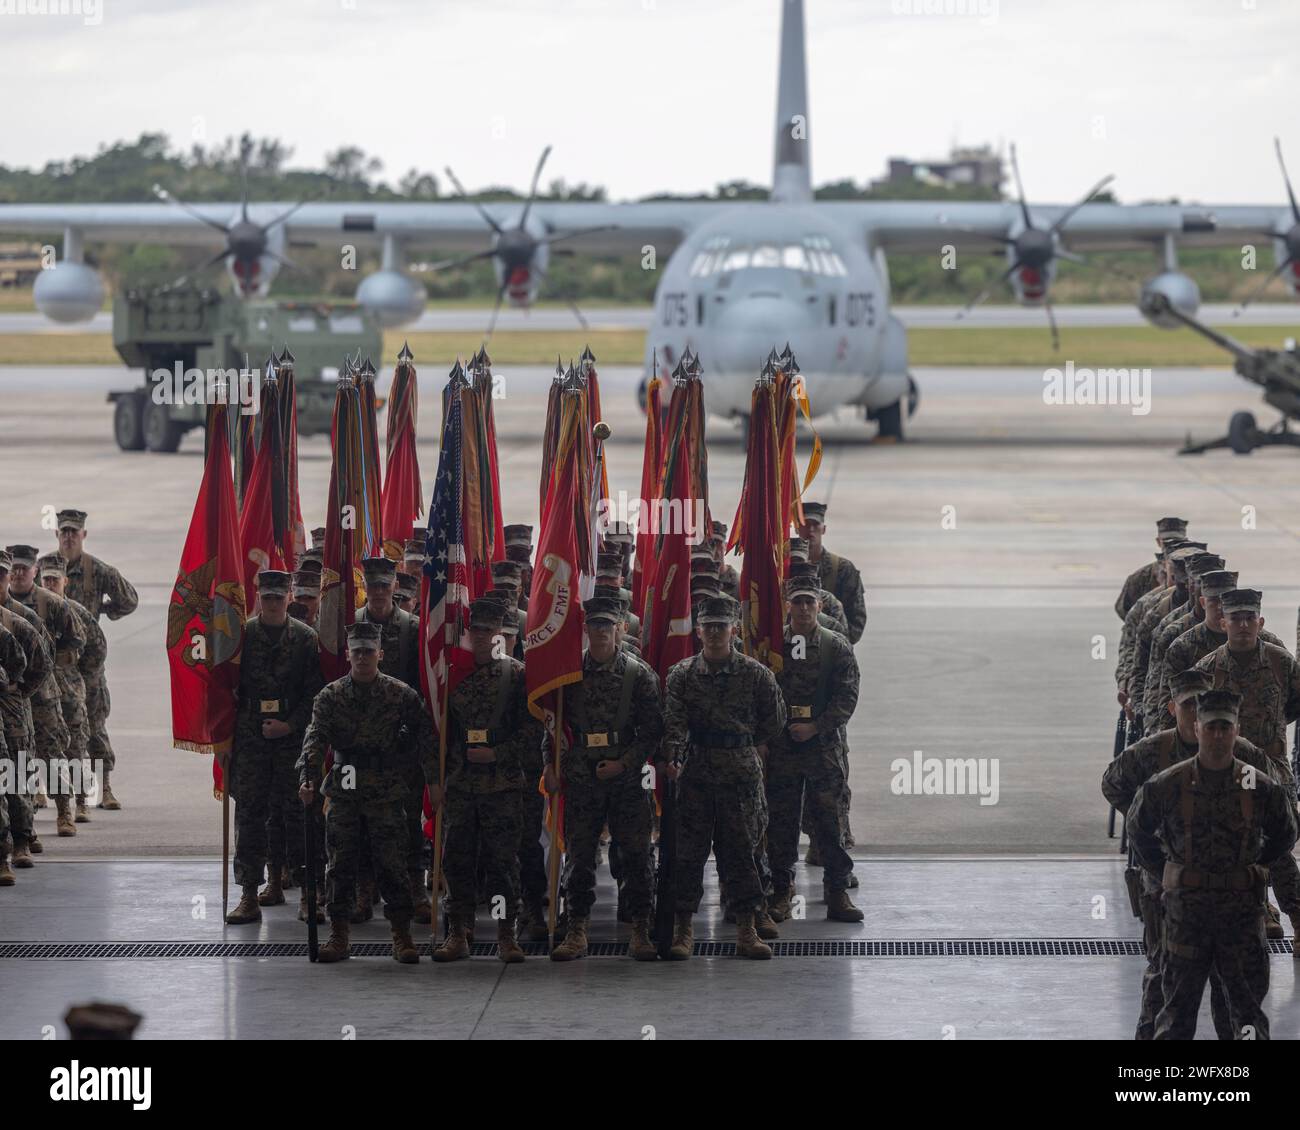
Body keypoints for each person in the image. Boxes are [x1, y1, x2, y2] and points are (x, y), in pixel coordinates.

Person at [1102, 669, 1276, 1039]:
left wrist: (1257, 869)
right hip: (1172, 895)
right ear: (1175, 708)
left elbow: (1281, 817)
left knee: (1235, 994)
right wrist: (1164, 855)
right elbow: (1116, 789)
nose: (1200, 719)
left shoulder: (1243, 756)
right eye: (1188, 707)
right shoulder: (1155, 754)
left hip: (1234, 903)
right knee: (1167, 987)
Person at [297, 621, 435, 964]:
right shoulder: (330, 696)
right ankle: (339, 934)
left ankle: (401, 935)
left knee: (392, 863)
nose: (362, 657)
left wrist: (432, 779)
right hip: (345, 782)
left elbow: (427, 737)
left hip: (385, 786)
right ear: (348, 654)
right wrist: (308, 776)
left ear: (380, 654)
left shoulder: (400, 694)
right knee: (340, 863)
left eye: (368, 651)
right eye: (356, 651)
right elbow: (315, 739)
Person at [662, 595, 786, 960]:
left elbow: (774, 722)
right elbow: (674, 721)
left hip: (740, 773)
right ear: (698, 631)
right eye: (708, 626)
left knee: (741, 852)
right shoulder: (682, 675)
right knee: (688, 855)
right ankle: (683, 929)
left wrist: (745, 743)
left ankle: (747, 928)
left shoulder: (756, 674)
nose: (715, 633)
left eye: (722, 626)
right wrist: (673, 756)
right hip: (697, 772)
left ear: (734, 630)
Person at [543, 596, 662, 961]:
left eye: (607, 626)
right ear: (585, 629)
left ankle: (641, 927)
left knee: (637, 853)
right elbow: (553, 725)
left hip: (626, 781)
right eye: (594, 626)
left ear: (620, 629)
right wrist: (550, 764)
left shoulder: (638, 675)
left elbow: (652, 730)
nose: (600, 633)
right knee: (579, 856)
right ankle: (576, 926)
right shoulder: (567, 673)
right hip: (581, 777)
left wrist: (624, 764)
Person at [431, 599, 542, 964]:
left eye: (489, 631)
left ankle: (504, 933)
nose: (482, 637)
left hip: (503, 786)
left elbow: (534, 731)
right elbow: (439, 733)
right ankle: (457, 931)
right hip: (461, 785)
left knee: (502, 865)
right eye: (476, 630)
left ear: (501, 635)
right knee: (457, 862)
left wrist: (499, 754)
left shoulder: (519, 676)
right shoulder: (452, 674)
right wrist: (438, 779)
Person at [225, 571, 324, 925]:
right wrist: (225, 738)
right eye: (267, 597)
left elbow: (315, 694)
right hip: (251, 739)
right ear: (258, 597)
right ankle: (249, 893)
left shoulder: (304, 638)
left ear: (289, 597)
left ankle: (309, 892)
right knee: (251, 815)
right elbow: (226, 689)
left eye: (278, 597)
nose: (272, 603)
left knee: (298, 815)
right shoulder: (243, 636)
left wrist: (290, 725)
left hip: (291, 742)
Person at [766, 576, 863, 924]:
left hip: (822, 748)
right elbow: (760, 695)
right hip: (782, 748)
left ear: (819, 606)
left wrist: (815, 727)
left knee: (830, 821)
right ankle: (781, 891)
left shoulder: (835, 646)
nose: (804, 608)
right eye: (798, 602)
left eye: (810, 602)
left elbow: (847, 697)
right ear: (787, 606)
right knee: (781, 822)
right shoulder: (773, 647)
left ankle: (836, 892)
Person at [55, 509, 138, 810]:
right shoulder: (44, 570)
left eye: (73, 532)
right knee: (49, 727)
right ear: (56, 535)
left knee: (94, 725)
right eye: (64, 532)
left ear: (83, 535)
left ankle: (104, 787)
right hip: (54, 666)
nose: (68, 537)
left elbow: (129, 599)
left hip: (87, 665)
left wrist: (103, 611)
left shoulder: (98, 571)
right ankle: (45, 789)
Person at [797, 502, 866, 645]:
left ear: (824, 529)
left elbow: (857, 620)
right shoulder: (787, 568)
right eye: (805, 523)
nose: (810, 529)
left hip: (830, 649)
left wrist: (838, 644)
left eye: (815, 524)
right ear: (797, 528)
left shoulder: (843, 569)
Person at [1116, 516, 1187, 620]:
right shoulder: (1139, 578)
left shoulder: (1194, 576)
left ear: (1185, 541)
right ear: (1158, 542)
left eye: (1176, 540)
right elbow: (1123, 609)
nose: (1171, 544)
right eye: (1166, 540)